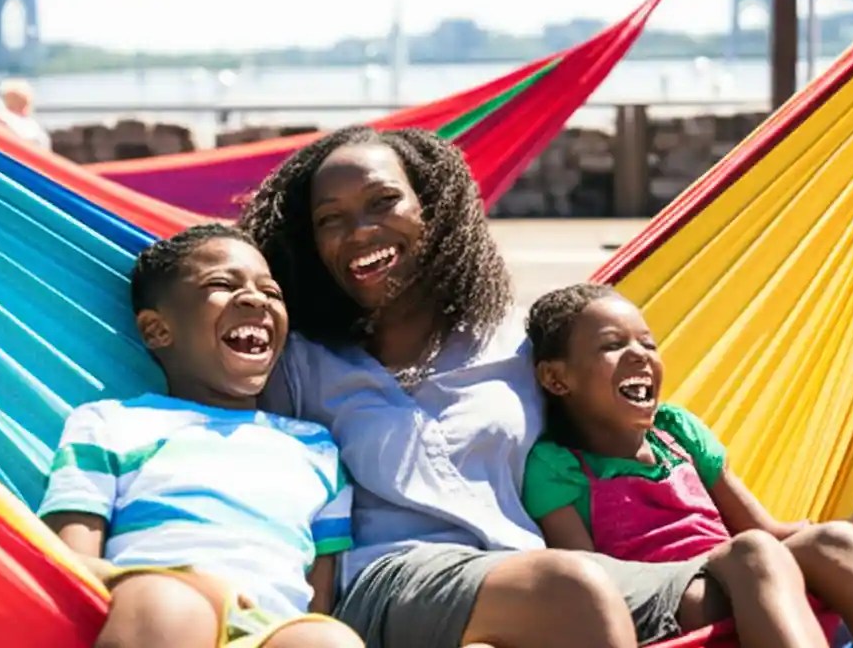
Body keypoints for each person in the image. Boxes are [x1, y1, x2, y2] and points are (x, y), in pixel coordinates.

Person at [239, 126, 729, 648]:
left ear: (431, 208)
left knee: (714, 600)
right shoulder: (296, 360)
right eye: (330, 219)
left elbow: (605, 441)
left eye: (383, 201)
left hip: (524, 568)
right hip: (386, 581)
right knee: (570, 586)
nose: (359, 230)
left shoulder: (513, 346)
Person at [521, 282, 853, 648]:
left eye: (647, 343)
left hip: (748, 576)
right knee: (753, 551)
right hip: (665, 604)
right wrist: (732, 558)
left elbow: (761, 527)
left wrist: (825, 537)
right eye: (613, 346)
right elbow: (587, 580)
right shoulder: (556, 465)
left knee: (834, 540)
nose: (639, 355)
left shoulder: (677, 433)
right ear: (557, 379)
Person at [39, 224, 363, 648]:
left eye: (272, 292)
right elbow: (70, 565)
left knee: (328, 641)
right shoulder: (109, 424)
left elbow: (318, 603)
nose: (254, 298)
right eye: (222, 284)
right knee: (174, 608)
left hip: (267, 631)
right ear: (157, 331)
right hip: (148, 612)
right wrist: (175, 582)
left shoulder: (315, 449)